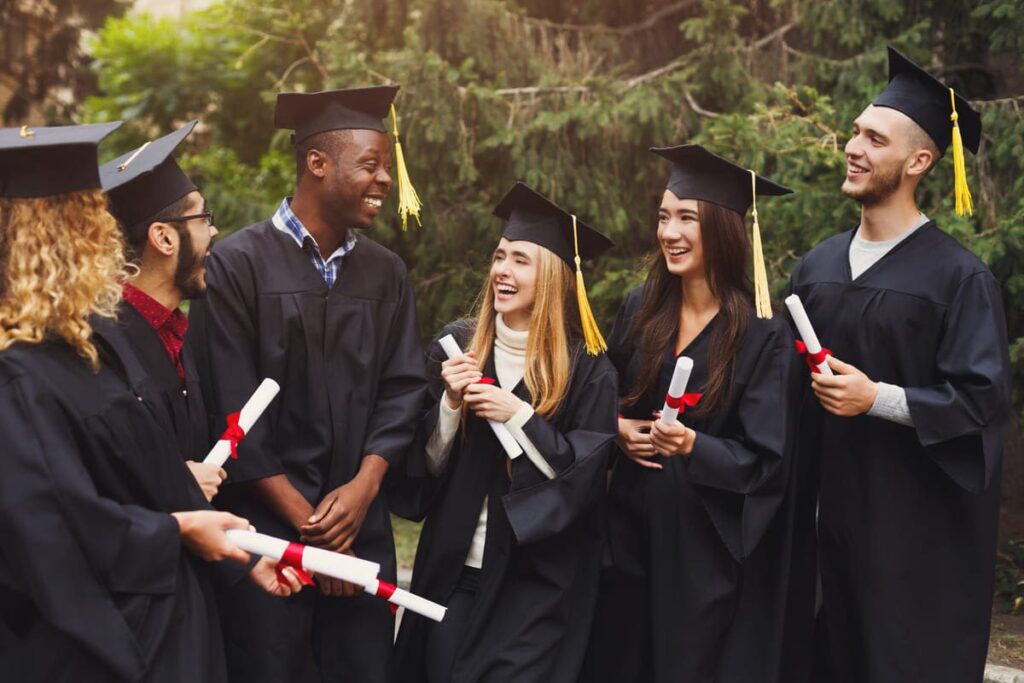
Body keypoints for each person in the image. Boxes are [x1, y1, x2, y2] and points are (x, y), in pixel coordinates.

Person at [0, 122, 302, 682]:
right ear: (62, 238)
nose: (107, 240)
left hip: (164, 623)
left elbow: (143, 484)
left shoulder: (77, 356)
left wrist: (239, 552)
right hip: (103, 646)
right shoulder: (22, 374)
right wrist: (179, 530)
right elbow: (50, 533)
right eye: (91, 221)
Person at [188, 85, 428, 682]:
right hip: (269, 541)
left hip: (358, 525)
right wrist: (313, 536)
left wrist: (365, 488)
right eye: (370, 165)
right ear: (317, 164)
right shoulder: (236, 266)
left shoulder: (385, 272)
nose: (384, 182)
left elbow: (403, 389)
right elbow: (231, 404)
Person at [787, 46, 1012, 682]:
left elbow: (981, 405)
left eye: (874, 138)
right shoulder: (818, 267)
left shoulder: (958, 278)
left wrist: (876, 397)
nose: (854, 147)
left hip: (912, 549)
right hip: (824, 546)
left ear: (918, 161)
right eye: (855, 132)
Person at [584, 144, 801, 682]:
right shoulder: (642, 307)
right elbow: (598, 401)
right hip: (627, 536)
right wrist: (616, 430)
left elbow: (766, 461)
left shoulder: (762, 333)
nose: (669, 233)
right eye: (663, 217)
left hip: (703, 555)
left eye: (687, 218)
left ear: (725, 229)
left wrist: (692, 445)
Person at [393, 181, 618, 682]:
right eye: (499, 256)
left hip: (534, 586)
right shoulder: (456, 348)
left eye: (521, 259)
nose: (502, 271)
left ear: (555, 277)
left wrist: (516, 414)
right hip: (452, 576)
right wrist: (451, 404)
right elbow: (421, 471)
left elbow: (584, 479)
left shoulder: (587, 371)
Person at [98, 121, 223, 500]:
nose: (213, 232)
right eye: (203, 218)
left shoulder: (174, 332)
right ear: (164, 238)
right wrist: (178, 484)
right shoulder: (98, 343)